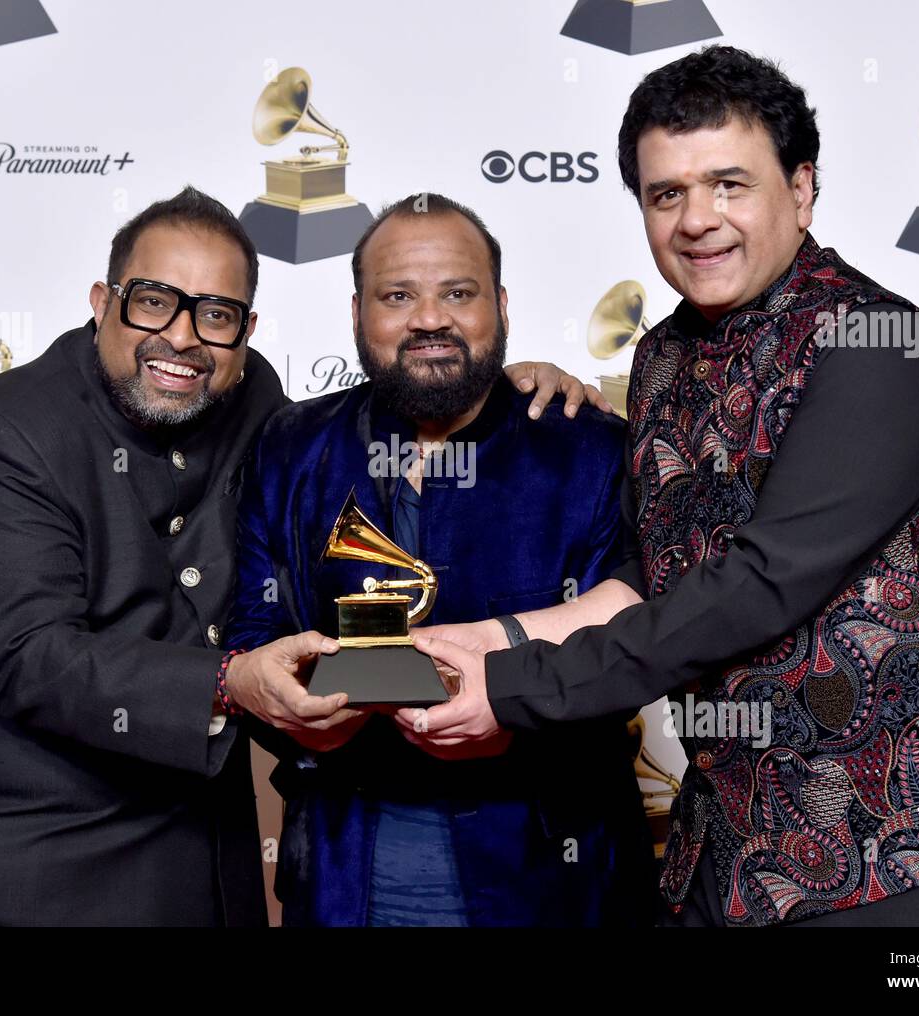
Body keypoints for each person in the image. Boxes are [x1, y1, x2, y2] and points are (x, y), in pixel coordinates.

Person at [407, 46, 919, 928]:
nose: (696, 220)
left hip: (918, 864)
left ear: (800, 189)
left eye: (730, 184)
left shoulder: (880, 345)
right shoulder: (661, 357)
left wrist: (521, 687)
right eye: (666, 193)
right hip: (733, 864)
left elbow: (759, 581)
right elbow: (659, 577)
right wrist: (491, 642)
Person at [0, 185, 607, 926]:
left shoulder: (255, 402)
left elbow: (413, 404)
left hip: (186, 856)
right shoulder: (0, 434)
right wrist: (229, 682)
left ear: (244, 331)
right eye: (152, 300)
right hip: (3, 866)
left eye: (215, 315)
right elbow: (28, 656)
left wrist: (507, 391)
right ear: (102, 300)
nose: (181, 336)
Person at [224, 193, 649, 927]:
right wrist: (283, 705)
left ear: (502, 306)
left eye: (459, 292)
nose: (429, 319)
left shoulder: (593, 451)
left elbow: (640, 645)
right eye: (398, 296)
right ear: (358, 312)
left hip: (554, 887)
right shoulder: (288, 446)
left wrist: (516, 705)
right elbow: (253, 632)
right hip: (340, 883)